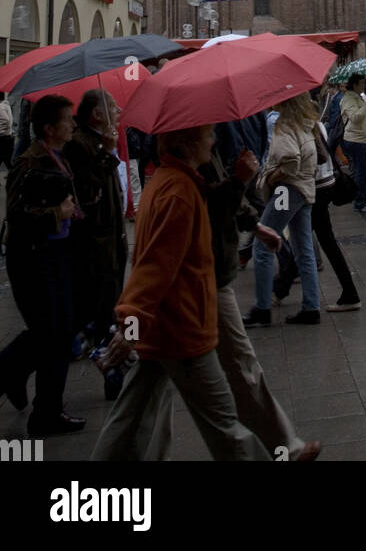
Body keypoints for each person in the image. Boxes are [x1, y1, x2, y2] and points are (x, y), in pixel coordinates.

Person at [90, 124, 274, 462]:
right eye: (207, 136)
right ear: (188, 143)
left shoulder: (171, 181)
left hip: (166, 329)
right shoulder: (179, 192)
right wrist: (130, 326)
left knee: (130, 419)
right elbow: (153, 268)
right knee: (224, 425)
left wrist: (242, 193)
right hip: (183, 330)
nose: (213, 140)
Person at [199, 138, 320, 459]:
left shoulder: (206, 156)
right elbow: (211, 205)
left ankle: (283, 447)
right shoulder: (179, 176)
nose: (214, 134)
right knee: (234, 370)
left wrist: (256, 220)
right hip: (200, 281)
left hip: (285, 193)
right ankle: (282, 448)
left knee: (237, 368)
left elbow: (221, 197)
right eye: (208, 130)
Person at [0, 95, 85, 435]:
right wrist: (56, 214)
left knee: (58, 333)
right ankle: (25, 391)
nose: (73, 125)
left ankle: (38, 401)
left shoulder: (56, 156)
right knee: (52, 335)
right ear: (49, 129)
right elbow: (17, 217)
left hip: (54, 255)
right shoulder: (30, 162)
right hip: (31, 259)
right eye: (68, 120)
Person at [63, 88, 128, 401]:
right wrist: (107, 152)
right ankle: (111, 369)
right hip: (96, 244)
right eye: (112, 107)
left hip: (110, 240)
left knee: (102, 311)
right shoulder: (81, 144)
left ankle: (110, 362)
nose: (118, 110)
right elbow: (88, 190)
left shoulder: (98, 141)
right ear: (96, 114)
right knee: (98, 312)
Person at [244, 94, 320, 326]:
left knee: (263, 243)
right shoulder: (306, 121)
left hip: (287, 189)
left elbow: (290, 159)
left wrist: (273, 177)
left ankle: (262, 308)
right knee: (303, 248)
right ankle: (311, 306)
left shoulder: (285, 124)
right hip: (304, 187)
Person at [277, 112, 361, 313]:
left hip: (314, 189)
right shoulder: (316, 122)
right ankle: (349, 293)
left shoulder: (297, 125)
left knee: (305, 241)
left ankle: (281, 287)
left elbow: (301, 161)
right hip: (326, 185)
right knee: (322, 240)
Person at [340, 72, 366, 212]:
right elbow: (355, 118)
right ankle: (360, 202)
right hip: (356, 140)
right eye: (362, 83)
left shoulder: (359, 97)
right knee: (362, 172)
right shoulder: (348, 99)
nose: (364, 85)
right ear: (355, 84)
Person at [0, 91, 14, 172]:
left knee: (7, 160)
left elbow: (6, 120)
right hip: (7, 137)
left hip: (3, 138)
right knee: (8, 161)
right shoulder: (5, 105)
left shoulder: (1, 107)